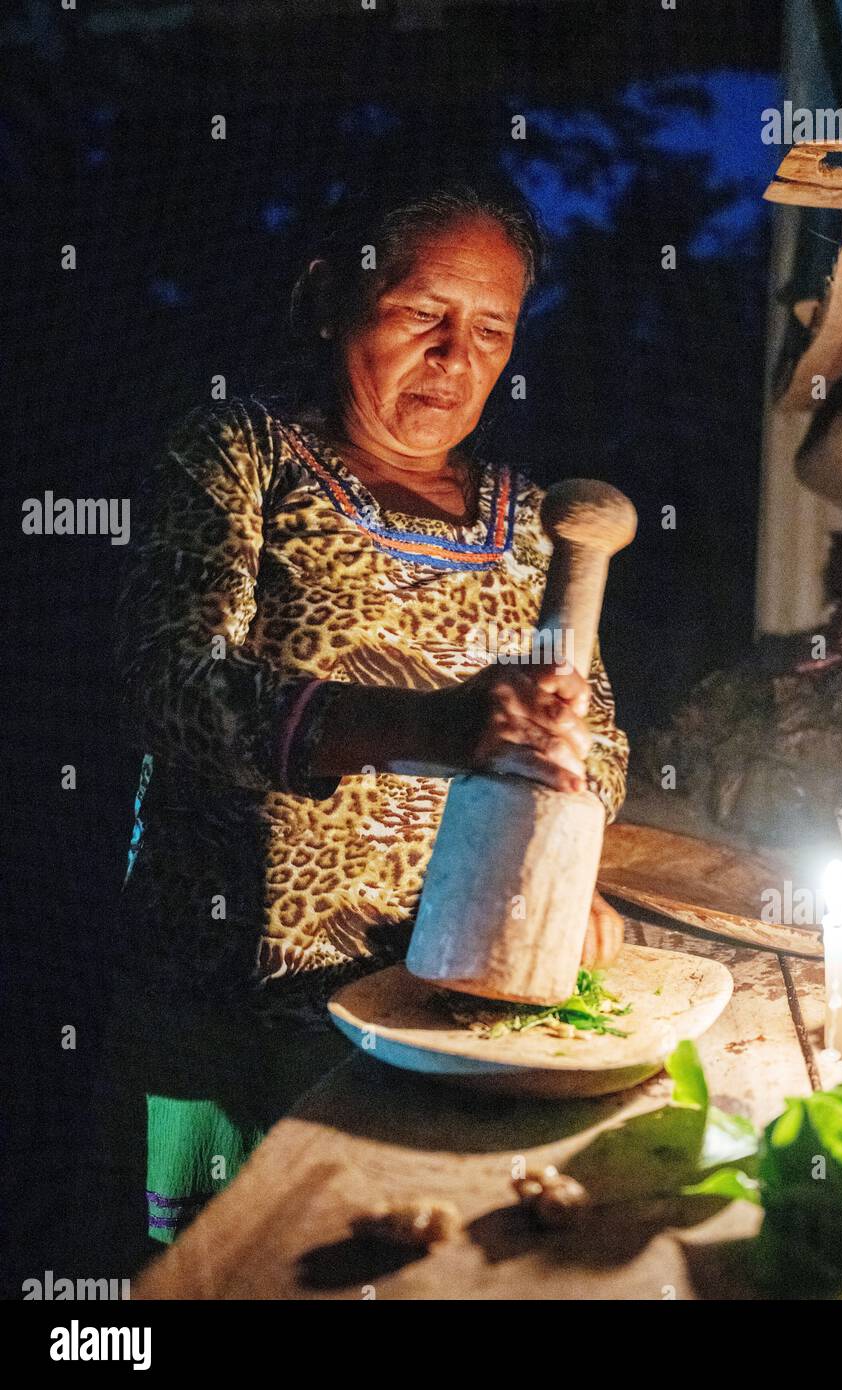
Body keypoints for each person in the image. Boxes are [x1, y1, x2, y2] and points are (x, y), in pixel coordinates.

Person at [110, 175, 630, 1246]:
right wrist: (432, 726)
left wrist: (572, 857)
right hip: (232, 1006)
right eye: (419, 314)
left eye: (491, 328)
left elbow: (601, 746)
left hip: (442, 1009)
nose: (455, 356)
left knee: (404, 1255)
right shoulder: (239, 455)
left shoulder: (538, 526)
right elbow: (171, 685)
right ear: (324, 297)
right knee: (222, 1265)